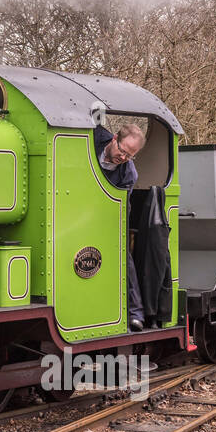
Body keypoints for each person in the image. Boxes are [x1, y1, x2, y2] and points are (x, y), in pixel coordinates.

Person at [93, 122, 146, 331]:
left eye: (129, 156)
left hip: (108, 214)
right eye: (122, 151)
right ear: (114, 139)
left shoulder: (128, 174)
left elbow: (121, 206)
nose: (123, 158)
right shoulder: (95, 138)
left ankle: (135, 312)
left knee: (123, 255)